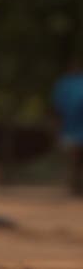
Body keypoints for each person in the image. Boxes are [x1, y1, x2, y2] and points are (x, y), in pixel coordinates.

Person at [52, 58, 83, 195]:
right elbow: (58, 108)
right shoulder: (65, 84)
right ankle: (74, 184)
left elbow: (57, 109)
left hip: (72, 127)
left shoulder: (65, 84)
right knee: (74, 157)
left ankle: (75, 184)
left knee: (74, 158)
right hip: (71, 127)